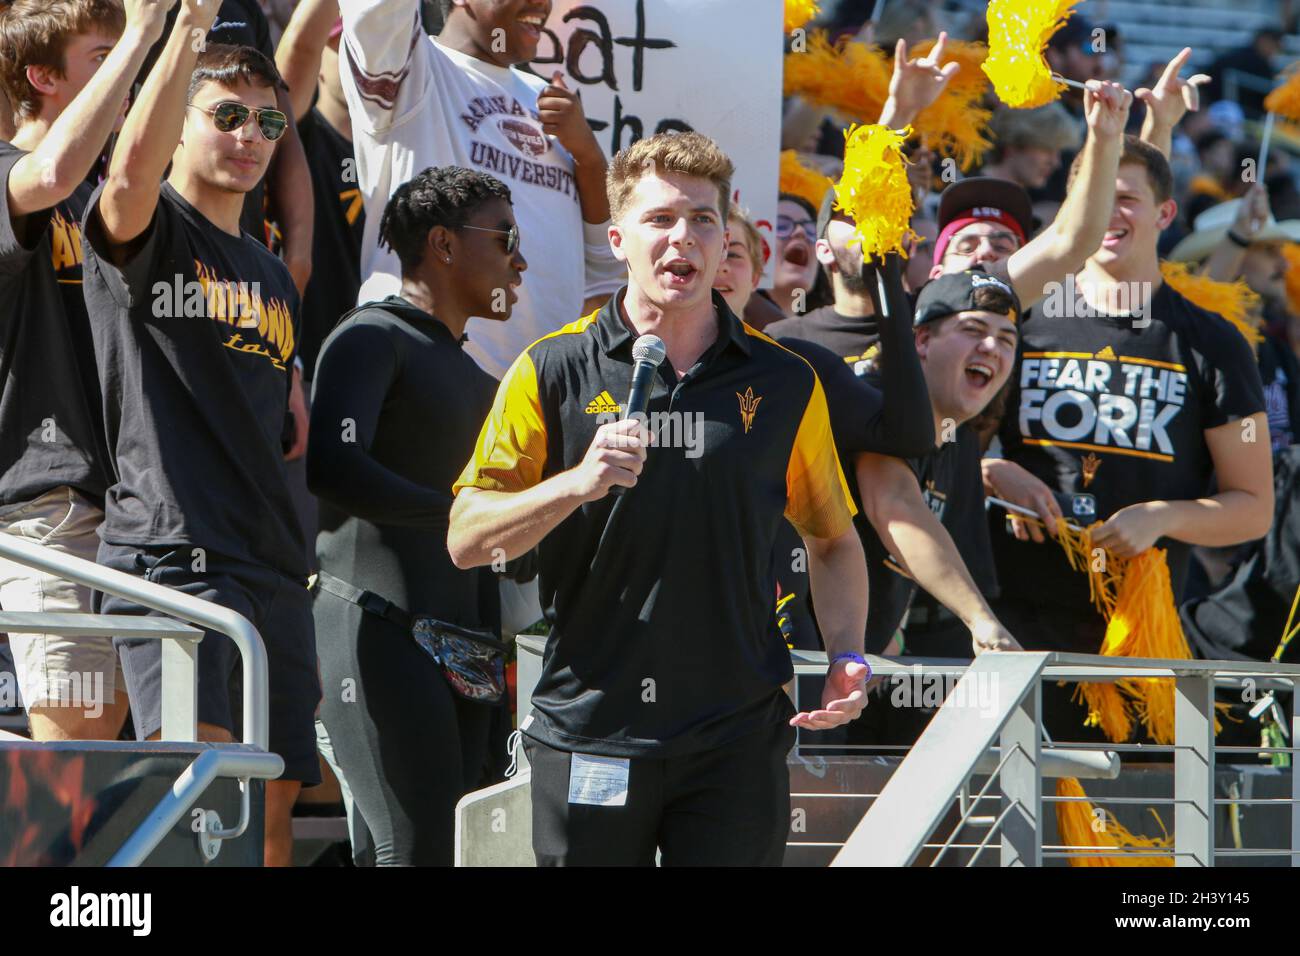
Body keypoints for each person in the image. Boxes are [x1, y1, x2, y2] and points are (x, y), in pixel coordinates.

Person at [448, 131, 869, 866]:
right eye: (661, 219)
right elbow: (467, 537)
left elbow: (831, 539)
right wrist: (575, 484)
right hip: (592, 727)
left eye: (704, 219)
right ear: (617, 238)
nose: (685, 238)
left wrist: (847, 653)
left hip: (736, 732)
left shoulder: (783, 380)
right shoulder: (552, 366)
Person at [81, 6, 320, 866]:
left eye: (266, 121)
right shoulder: (149, 225)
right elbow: (124, 180)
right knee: (203, 812)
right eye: (225, 115)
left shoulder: (268, 269)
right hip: (175, 555)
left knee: (274, 809)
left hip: (271, 563)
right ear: (177, 118)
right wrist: (175, 37)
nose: (250, 136)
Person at [990, 136, 1274, 740]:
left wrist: (1160, 517)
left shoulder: (1217, 345)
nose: (1109, 213)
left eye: (1127, 198)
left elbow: (1254, 509)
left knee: (1133, 820)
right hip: (1012, 624)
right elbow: (947, 440)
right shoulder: (1018, 323)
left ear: (1165, 214)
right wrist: (992, 470)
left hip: (1144, 637)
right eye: (1095, 198)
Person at [309, 166, 523, 865]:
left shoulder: (485, 381)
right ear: (444, 244)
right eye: (505, 238)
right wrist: (465, 516)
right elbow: (334, 468)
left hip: (469, 648)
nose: (519, 260)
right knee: (413, 850)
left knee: (452, 849)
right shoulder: (370, 338)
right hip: (377, 626)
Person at [0, 0, 170, 742]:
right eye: (102, 59)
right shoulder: (14, 172)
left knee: (158, 777)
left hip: (147, 508)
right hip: (52, 505)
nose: (126, 73)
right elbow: (50, 169)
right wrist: (142, 33)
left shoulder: (116, 195)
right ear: (40, 76)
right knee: (77, 772)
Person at [338, 0, 623, 379]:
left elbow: (605, 256)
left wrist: (588, 156)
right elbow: (375, 12)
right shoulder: (411, 70)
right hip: (426, 373)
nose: (543, 3)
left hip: (539, 396)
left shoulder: (547, 98)